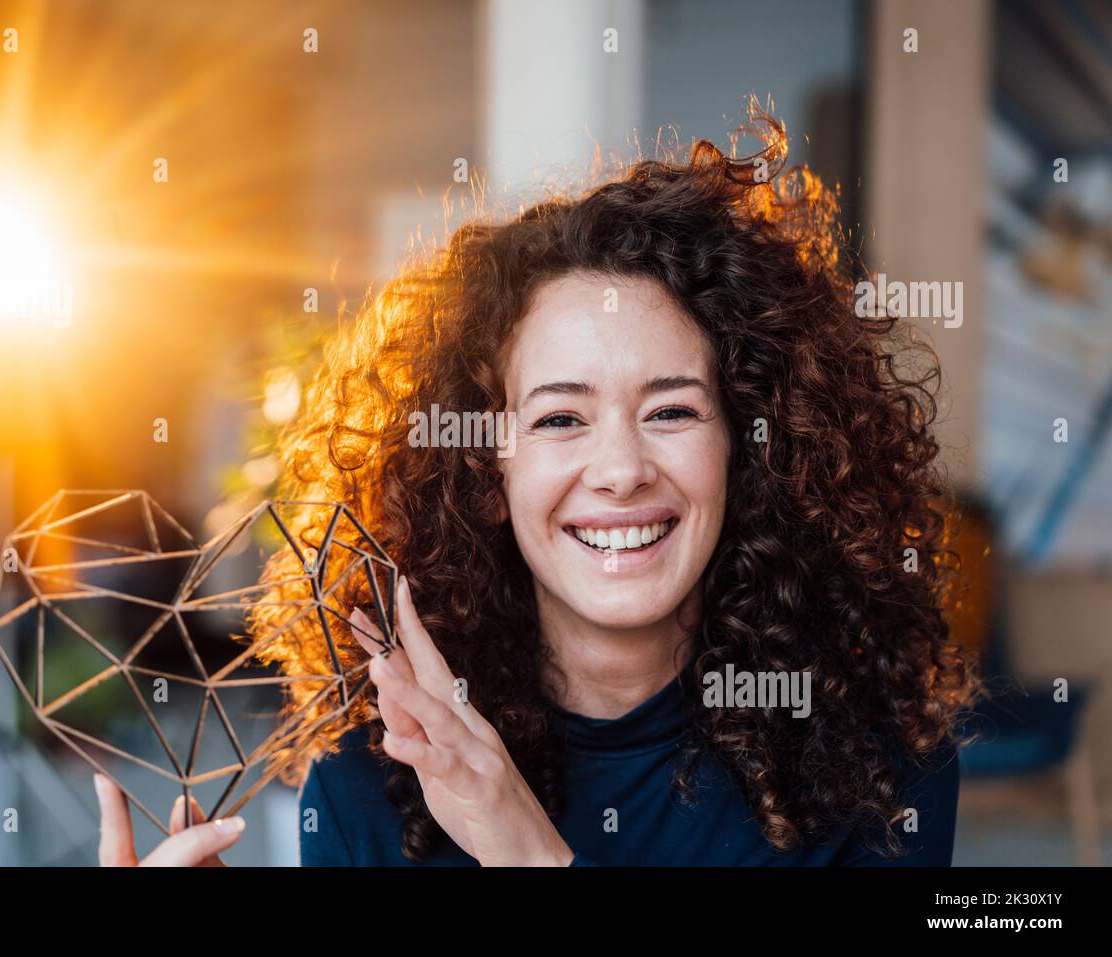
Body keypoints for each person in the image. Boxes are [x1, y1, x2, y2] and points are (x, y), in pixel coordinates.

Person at [97, 108, 974, 867]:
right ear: (486, 462)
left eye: (671, 411)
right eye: (560, 419)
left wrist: (526, 848)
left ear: (751, 442)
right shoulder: (375, 769)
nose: (623, 469)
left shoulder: (878, 762)